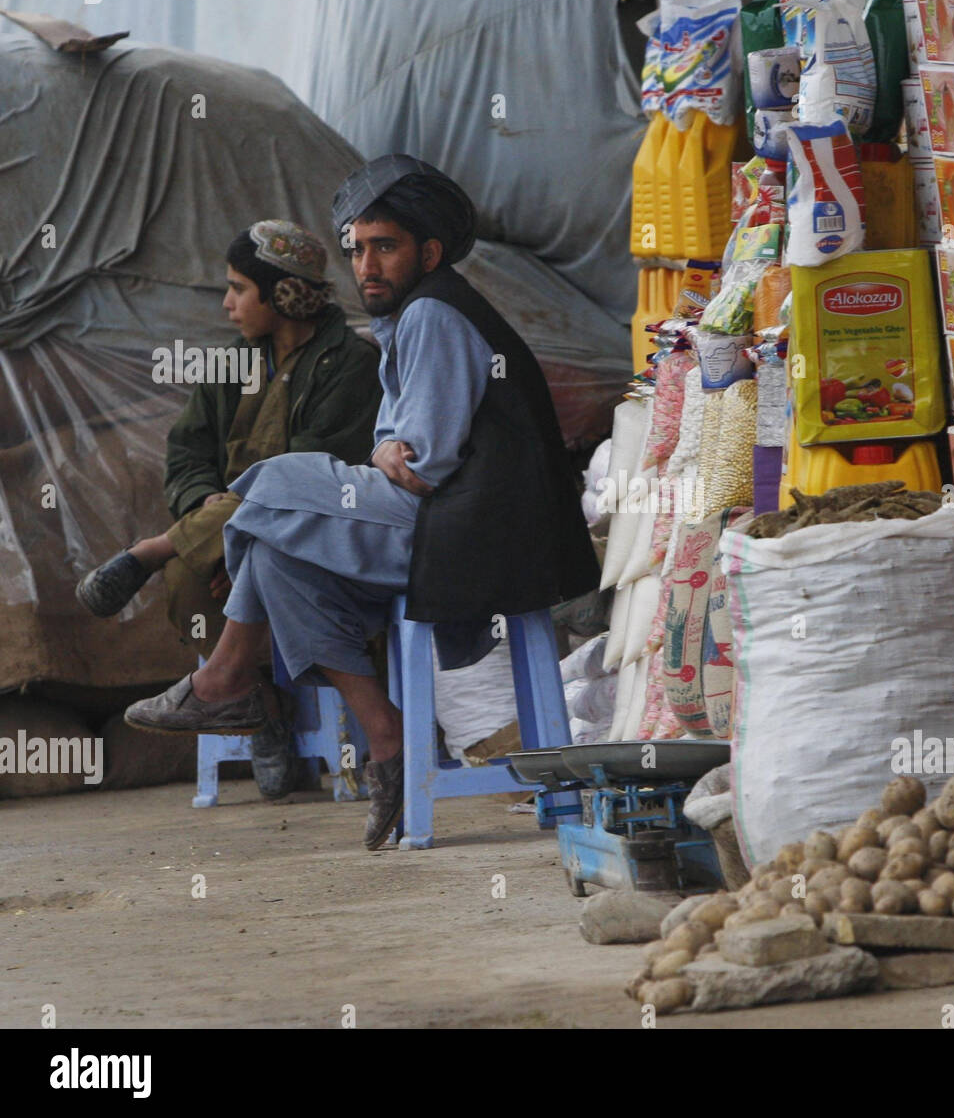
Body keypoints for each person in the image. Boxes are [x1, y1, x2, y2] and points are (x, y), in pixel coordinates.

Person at [124, 156, 600, 849]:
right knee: (280, 558)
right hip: (451, 523)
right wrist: (384, 452)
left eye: (385, 246)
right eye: (357, 249)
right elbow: (393, 443)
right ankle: (385, 737)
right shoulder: (408, 317)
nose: (366, 264)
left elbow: (421, 464)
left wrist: (384, 454)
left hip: (473, 531)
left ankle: (220, 668)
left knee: (278, 482)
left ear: (428, 251)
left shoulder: (435, 312)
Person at [77, 220, 381, 797]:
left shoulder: (349, 365)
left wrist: (232, 534)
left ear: (284, 294)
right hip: (228, 530)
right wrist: (207, 518)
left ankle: (156, 550)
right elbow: (187, 452)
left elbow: (307, 476)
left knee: (272, 492)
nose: (227, 303)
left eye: (240, 288)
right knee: (187, 581)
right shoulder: (229, 363)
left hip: (313, 533)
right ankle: (258, 702)